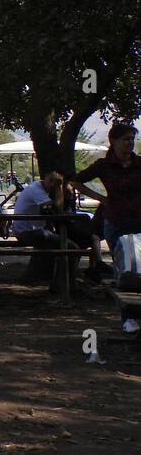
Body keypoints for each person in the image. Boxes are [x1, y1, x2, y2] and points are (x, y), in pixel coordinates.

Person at [72, 122, 141, 328]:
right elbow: (75, 182)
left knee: (140, 266)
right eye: (126, 139)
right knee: (125, 267)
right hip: (116, 221)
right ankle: (128, 318)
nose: (130, 143)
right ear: (114, 141)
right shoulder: (103, 165)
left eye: (132, 139)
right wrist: (101, 198)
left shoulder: (140, 163)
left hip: (139, 221)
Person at [12, 170, 105, 282]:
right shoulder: (36, 190)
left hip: (34, 231)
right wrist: (59, 189)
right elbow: (57, 210)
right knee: (72, 248)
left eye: (56, 182)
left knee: (80, 241)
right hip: (27, 232)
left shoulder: (42, 190)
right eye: (51, 181)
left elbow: (55, 214)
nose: (52, 184)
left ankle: (69, 279)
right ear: (45, 177)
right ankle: (66, 284)